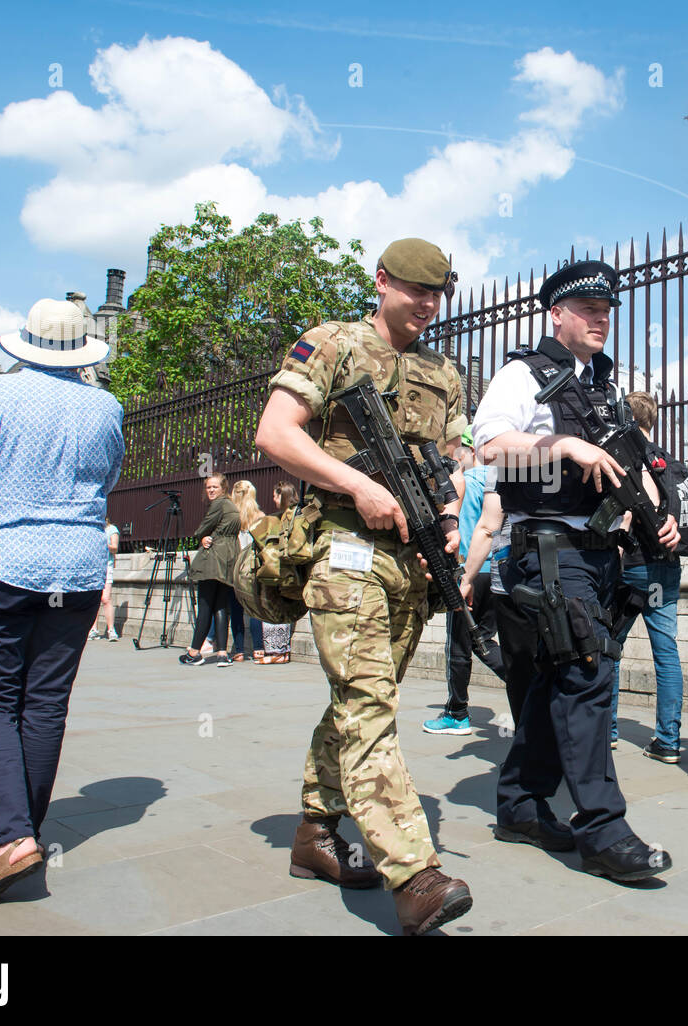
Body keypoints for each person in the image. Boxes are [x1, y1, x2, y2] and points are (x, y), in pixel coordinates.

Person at [254, 238, 473, 935]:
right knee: (369, 699)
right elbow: (275, 433)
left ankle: (315, 834)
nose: (428, 304)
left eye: (439, 293)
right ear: (382, 281)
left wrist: (449, 510)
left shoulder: (445, 370)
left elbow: (458, 457)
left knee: (359, 697)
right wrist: (357, 483)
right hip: (344, 547)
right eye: (416, 290)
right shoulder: (333, 344)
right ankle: (413, 874)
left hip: (411, 561)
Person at [473, 259, 679, 883]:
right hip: (549, 548)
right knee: (588, 674)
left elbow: (633, 459)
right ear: (555, 314)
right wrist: (560, 446)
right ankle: (602, 828)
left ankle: (520, 803)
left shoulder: (605, 386)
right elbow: (486, 447)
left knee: (558, 678)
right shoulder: (521, 374)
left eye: (607, 311)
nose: (600, 319)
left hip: (599, 551)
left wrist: (660, 514)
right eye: (588, 309)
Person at [0, 298, 123, 904]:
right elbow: (110, 478)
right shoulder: (107, 406)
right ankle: (26, 835)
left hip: (10, 567)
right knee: (46, 705)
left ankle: (12, 835)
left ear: (26, 343)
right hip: (80, 566)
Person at [608, 391, 687, 764]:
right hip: (667, 567)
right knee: (666, 651)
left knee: (610, 646)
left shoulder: (625, 457)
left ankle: (605, 730)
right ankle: (668, 739)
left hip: (632, 567)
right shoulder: (669, 462)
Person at [423, 430, 507, 735]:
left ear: (470, 451)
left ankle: (456, 712)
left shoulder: (462, 485)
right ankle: (527, 686)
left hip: (469, 570)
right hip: (497, 570)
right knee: (483, 639)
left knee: (459, 643)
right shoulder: (502, 478)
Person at [177, 475, 240, 667]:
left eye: (214, 487)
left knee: (205, 605)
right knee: (221, 605)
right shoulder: (230, 505)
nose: (211, 490)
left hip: (215, 558)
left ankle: (194, 652)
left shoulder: (219, 504)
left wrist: (201, 536)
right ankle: (222, 653)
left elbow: (204, 527)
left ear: (223, 488)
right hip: (229, 556)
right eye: (208, 487)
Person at [256, 480, 298, 664]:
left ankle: (278, 652)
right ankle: (277, 651)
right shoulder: (295, 514)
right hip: (287, 568)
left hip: (283, 567)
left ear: (283, 496)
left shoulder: (287, 517)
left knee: (278, 608)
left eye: (275, 495)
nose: (273, 499)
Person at [230, 480, 265, 662]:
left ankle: (238, 650)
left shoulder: (230, 516)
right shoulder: (259, 516)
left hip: (233, 566)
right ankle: (258, 648)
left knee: (235, 609)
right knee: (254, 609)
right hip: (251, 567)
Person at [88, 521, 120, 641]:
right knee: (94, 598)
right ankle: (93, 629)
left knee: (105, 598)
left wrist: (101, 543)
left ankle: (111, 630)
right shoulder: (94, 529)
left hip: (107, 566)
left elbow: (114, 548)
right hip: (94, 567)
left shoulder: (111, 529)